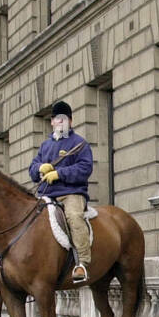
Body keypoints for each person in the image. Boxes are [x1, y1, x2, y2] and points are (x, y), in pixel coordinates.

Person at [29, 101, 94, 284]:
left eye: (65, 119)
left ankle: (82, 262)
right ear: (52, 122)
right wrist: (40, 168)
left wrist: (59, 174)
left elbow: (85, 168)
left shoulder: (80, 144)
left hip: (71, 193)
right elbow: (32, 169)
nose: (61, 122)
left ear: (70, 122)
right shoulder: (44, 146)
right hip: (46, 195)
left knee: (74, 217)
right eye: (58, 119)